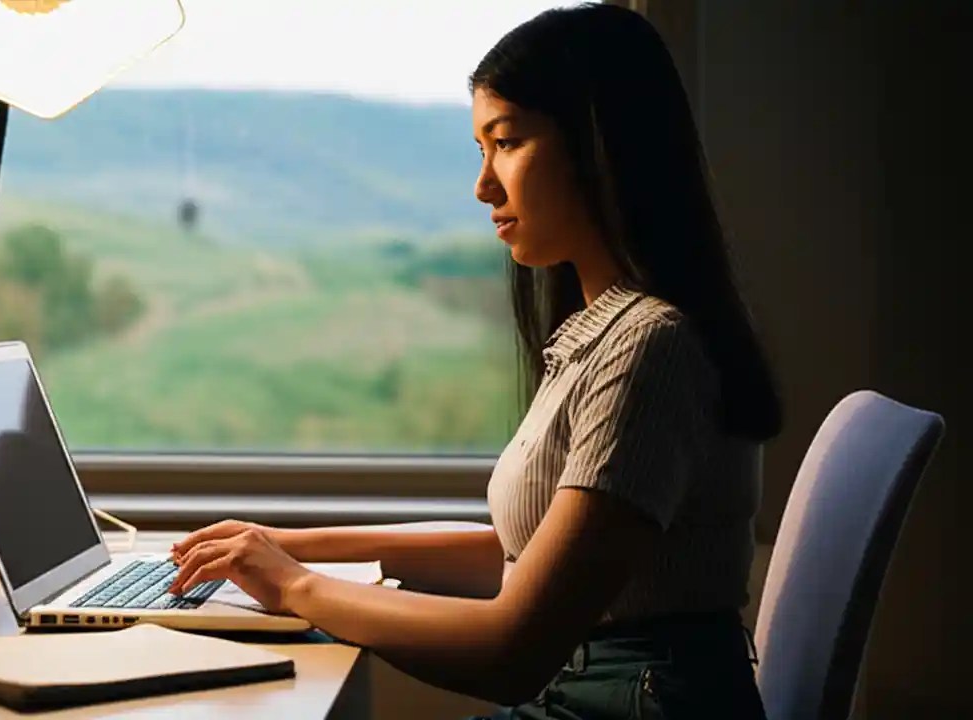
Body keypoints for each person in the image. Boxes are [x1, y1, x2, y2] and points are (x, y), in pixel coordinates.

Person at [167, 4, 780, 718]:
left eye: (508, 142)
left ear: (600, 144)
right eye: (480, 150)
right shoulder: (604, 331)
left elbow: (510, 649)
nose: (484, 186)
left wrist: (295, 588)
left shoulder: (653, 347)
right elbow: (519, 555)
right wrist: (287, 546)